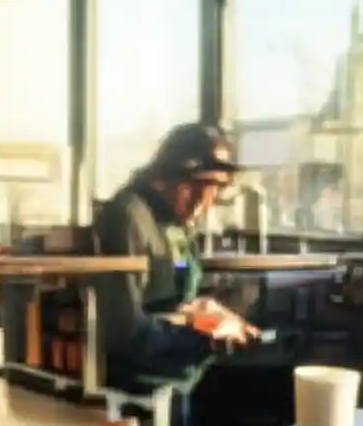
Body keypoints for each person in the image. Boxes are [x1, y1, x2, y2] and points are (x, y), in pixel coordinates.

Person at [93, 123, 259, 396]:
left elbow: (179, 273)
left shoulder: (176, 224)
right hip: (139, 388)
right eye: (198, 186)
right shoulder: (127, 217)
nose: (204, 202)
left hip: (181, 380)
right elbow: (125, 331)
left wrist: (205, 309)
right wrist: (204, 336)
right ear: (168, 175)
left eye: (215, 189)